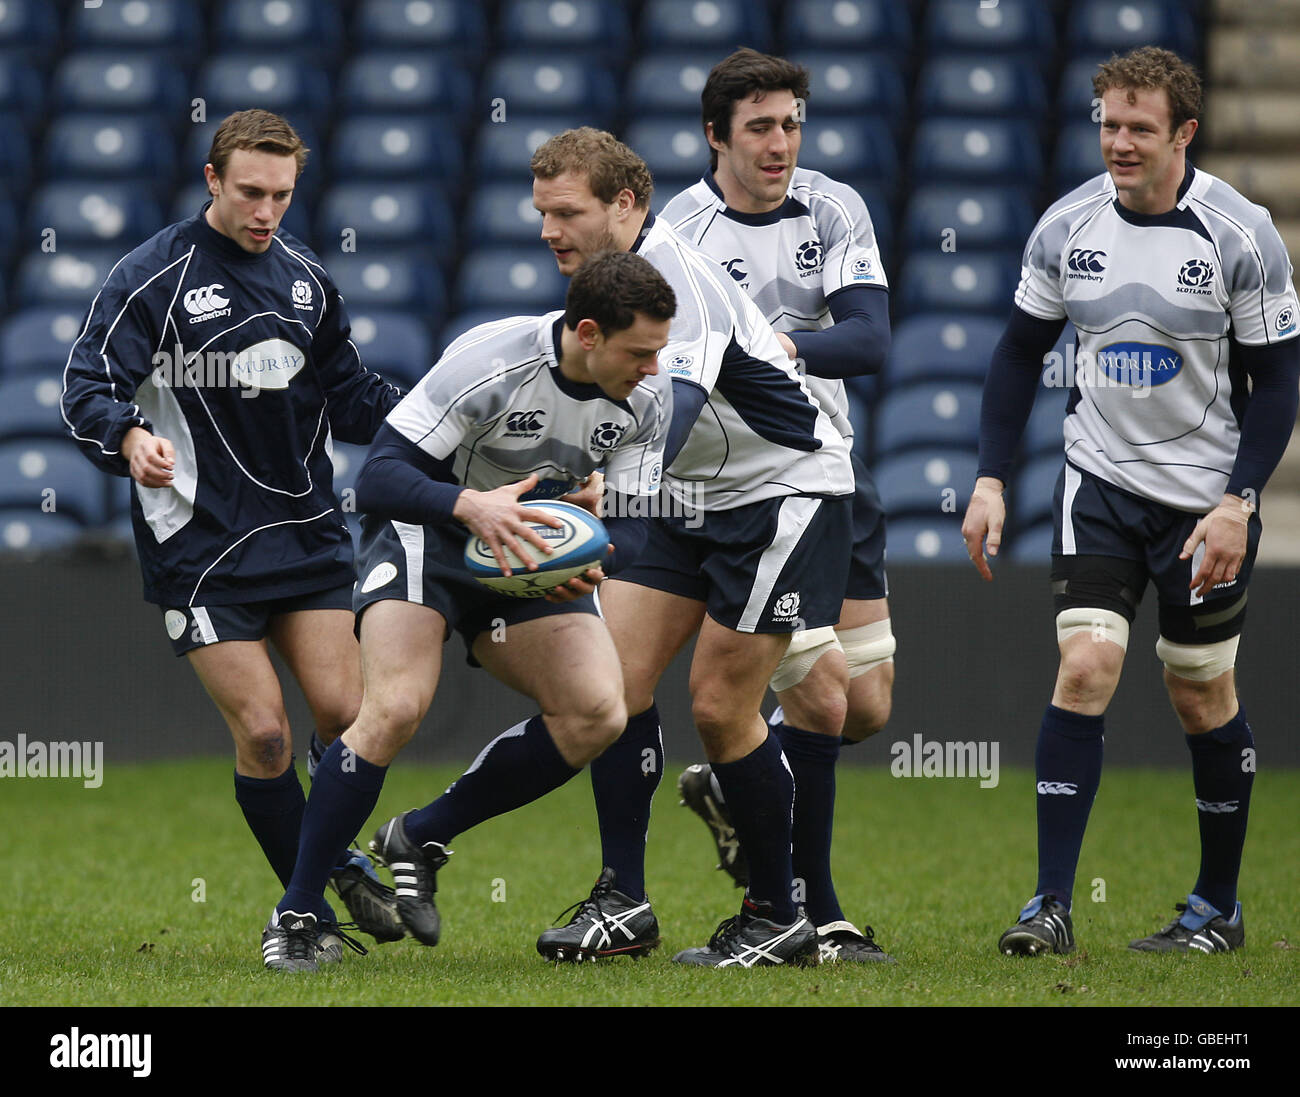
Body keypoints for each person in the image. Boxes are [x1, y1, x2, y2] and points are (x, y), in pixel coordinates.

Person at [961, 47, 1299, 955]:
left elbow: (1277, 383)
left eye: (1138, 127)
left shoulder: (1240, 233)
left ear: (1184, 132)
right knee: (1085, 670)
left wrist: (1238, 501)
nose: (1118, 141)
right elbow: (1017, 354)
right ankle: (1049, 907)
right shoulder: (1066, 225)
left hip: (1204, 506)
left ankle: (1217, 907)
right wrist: (990, 478)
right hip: (1099, 484)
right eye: (1108, 123)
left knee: (1199, 693)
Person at [260, 250, 677, 972]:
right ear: (587, 333)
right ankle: (296, 913)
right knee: (391, 709)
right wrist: (469, 504)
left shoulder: (649, 397)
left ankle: (421, 833)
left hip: (525, 552)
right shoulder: (491, 359)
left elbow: (637, 527)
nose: (654, 367)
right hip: (431, 536)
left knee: (599, 710)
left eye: (659, 351)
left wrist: (592, 554)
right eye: (639, 351)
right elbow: (381, 474)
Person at [61, 109, 406, 960]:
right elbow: (85, 385)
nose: (266, 211)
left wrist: (439, 419)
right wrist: (129, 437)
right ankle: (303, 916)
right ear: (213, 181)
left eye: (282, 195)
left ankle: (325, 861)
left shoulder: (306, 279)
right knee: (264, 733)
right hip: (202, 546)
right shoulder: (154, 276)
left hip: (306, 530)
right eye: (250, 192)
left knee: (347, 715)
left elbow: (353, 393)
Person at [530, 128, 856, 967]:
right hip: (696, 495)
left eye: (567, 212)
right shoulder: (607, 284)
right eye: (541, 214)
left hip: (782, 490)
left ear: (626, 205)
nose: (549, 231)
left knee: (719, 704)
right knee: (616, 686)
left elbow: (665, 411)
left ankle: (779, 915)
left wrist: (600, 490)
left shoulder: (672, 277)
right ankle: (623, 902)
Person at [660, 49, 896, 963]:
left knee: (868, 702)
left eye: (792, 122)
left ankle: (740, 788)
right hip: (747, 480)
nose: (780, 142)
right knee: (823, 695)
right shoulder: (679, 225)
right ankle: (811, 906)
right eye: (759, 126)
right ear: (716, 135)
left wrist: (767, 349)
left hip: (836, 464)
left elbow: (871, 339)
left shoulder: (834, 208)